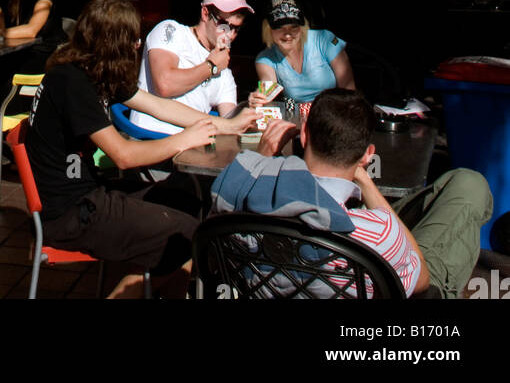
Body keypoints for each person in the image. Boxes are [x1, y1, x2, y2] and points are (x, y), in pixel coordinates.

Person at [26, 0, 255, 298]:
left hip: (85, 195)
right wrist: (183, 140)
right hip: (69, 213)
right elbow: (123, 156)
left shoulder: (94, 70)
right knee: (189, 236)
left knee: (187, 200)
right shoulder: (73, 82)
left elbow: (158, 106)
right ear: (112, 44)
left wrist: (224, 125)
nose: (137, 45)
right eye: (133, 39)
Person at [211, 88, 492, 298]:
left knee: (463, 184)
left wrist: (262, 159)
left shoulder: (238, 198)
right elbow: (421, 280)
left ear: (304, 134)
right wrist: (364, 179)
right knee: (469, 186)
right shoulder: (380, 232)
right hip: (392, 273)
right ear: (368, 155)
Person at [129, 0, 254, 134]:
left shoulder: (224, 72)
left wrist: (251, 110)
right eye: (224, 25)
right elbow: (165, 85)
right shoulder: (171, 31)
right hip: (149, 138)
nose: (230, 35)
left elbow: (230, 122)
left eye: (236, 28)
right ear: (205, 13)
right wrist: (211, 67)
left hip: (192, 148)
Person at [249, 0, 355, 107]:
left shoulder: (324, 39)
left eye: (293, 26)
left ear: (302, 27)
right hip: (300, 118)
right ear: (268, 29)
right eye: (279, 27)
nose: (288, 34)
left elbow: (349, 92)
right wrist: (259, 98)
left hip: (336, 111)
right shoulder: (265, 59)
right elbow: (268, 88)